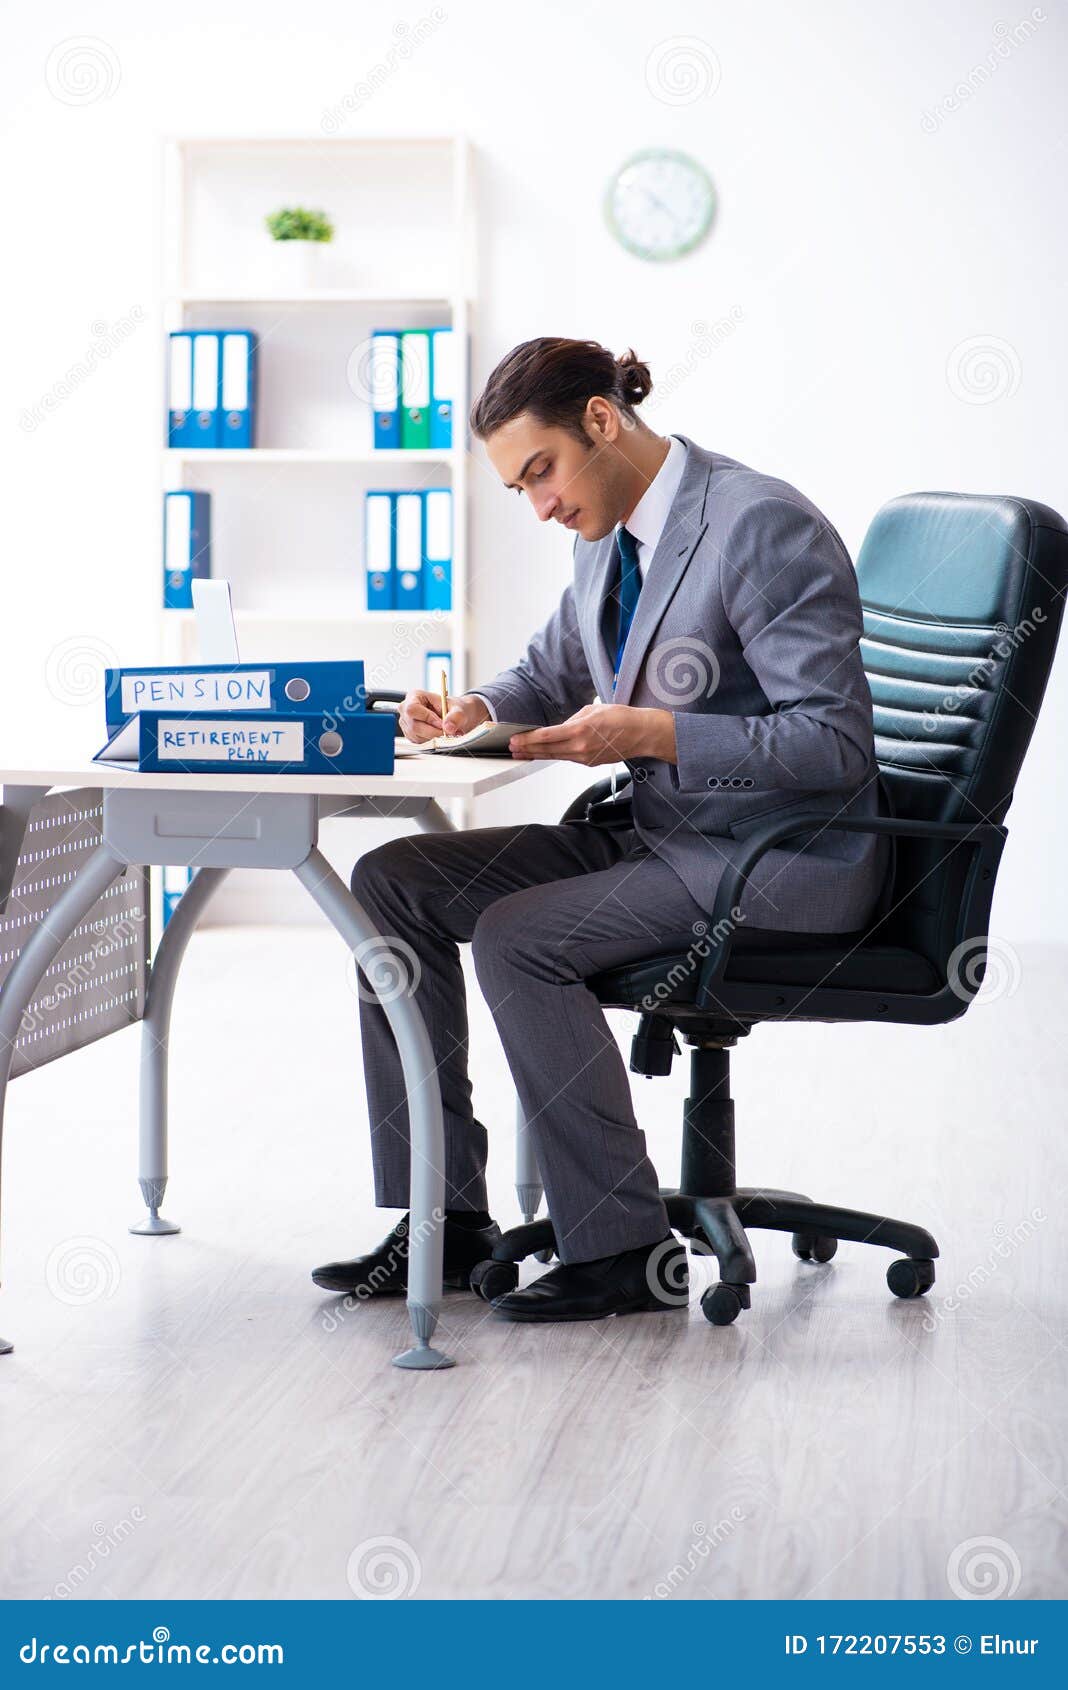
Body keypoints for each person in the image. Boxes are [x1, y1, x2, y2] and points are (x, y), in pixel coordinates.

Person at [312, 336, 888, 1323]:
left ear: (601, 421)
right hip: (661, 835)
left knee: (520, 936)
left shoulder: (757, 526)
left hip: (780, 857)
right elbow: (549, 673)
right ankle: (447, 1220)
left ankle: (623, 1247)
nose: (540, 505)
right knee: (393, 884)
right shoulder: (604, 535)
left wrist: (661, 731)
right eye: (519, 489)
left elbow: (833, 745)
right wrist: (473, 710)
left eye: (542, 472)